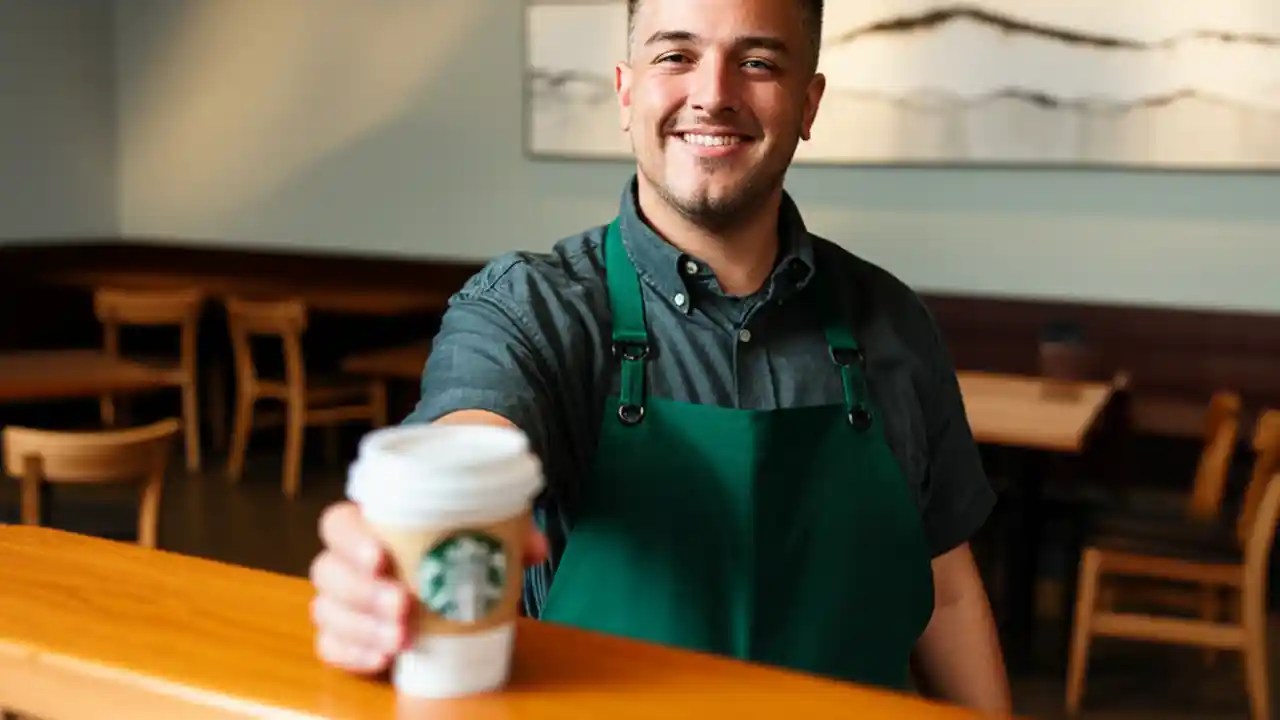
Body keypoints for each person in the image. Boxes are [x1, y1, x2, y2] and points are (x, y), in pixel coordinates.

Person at [309, 0, 1011, 712]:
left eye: (758, 62)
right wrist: (407, 542)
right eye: (676, 56)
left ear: (809, 102)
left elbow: (944, 586)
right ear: (626, 91)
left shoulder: (892, 322)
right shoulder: (531, 311)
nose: (712, 94)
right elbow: (469, 441)